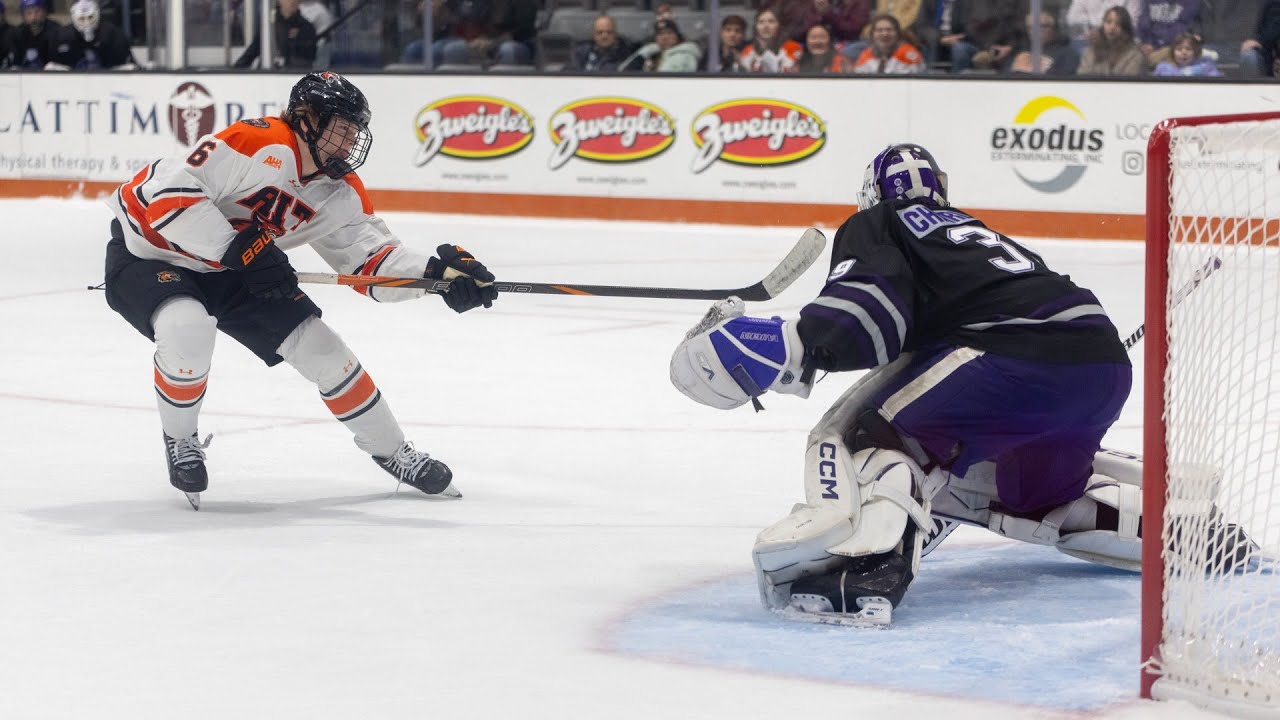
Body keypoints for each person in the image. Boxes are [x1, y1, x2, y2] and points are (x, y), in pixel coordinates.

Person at [670, 144, 1138, 623]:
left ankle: (863, 569)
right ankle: (1155, 525)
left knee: (871, 434)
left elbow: (870, 306)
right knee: (1033, 498)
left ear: (873, 194)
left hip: (1015, 362)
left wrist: (789, 342)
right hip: (1102, 370)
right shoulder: (972, 232)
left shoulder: (883, 222)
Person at [101, 72, 498, 509]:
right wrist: (237, 248)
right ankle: (180, 439)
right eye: (342, 129)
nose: (350, 144)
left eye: (355, 133)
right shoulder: (259, 141)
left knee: (325, 351)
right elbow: (167, 196)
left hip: (237, 268)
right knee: (187, 330)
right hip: (150, 252)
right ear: (307, 119)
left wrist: (436, 277)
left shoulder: (339, 193)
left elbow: (369, 262)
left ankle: (393, 451)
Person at [233, 0, 318, 69]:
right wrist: (235, 72)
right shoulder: (269, 27)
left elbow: (308, 57)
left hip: (292, 76)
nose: (292, 2)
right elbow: (252, 51)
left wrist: (295, 40)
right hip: (267, 76)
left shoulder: (306, 27)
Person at [59, 0, 136, 70]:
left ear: (97, 15)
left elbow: (129, 65)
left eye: (90, 17)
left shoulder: (113, 34)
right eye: (81, 18)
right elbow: (51, 67)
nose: (86, 22)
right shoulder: (61, 36)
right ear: (74, 18)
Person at [1077, 5, 1147, 75]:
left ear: (1126, 29)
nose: (1112, 27)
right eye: (1108, 22)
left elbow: (1129, 84)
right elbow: (1081, 78)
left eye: (1118, 24)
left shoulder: (1135, 57)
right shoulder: (1091, 52)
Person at [1009, 9, 1081, 75]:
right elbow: (1003, 77)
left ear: (1052, 28)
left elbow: (1066, 81)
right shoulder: (1020, 51)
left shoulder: (1068, 53)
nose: (1033, 31)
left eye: (1040, 26)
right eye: (1029, 27)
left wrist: (1043, 69)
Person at [11, 0, 76, 69]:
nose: (33, 17)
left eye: (37, 12)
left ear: (45, 12)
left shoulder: (56, 31)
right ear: (23, 16)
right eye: (29, 13)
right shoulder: (18, 33)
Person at [851, 13, 925, 72]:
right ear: (872, 35)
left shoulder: (909, 53)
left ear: (897, 34)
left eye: (889, 30)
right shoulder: (866, 54)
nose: (885, 34)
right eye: (879, 30)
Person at [623, 18, 702, 72]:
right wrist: (642, 55)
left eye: (669, 33)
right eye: (660, 34)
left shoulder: (686, 55)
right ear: (655, 38)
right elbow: (623, 72)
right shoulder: (651, 54)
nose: (665, 37)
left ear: (677, 36)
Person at [739, 7, 802, 72]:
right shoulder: (748, 50)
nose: (765, 26)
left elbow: (787, 73)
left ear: (779, 26)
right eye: (761, 22)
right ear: (756, 27)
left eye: (771, 21)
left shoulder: (793, 47)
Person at [571, 14, 638, 72]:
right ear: (593, 35)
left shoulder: (627, 55)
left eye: (609, 32)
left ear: (615, 34)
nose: (604, 36)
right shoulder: (582, 53)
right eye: (600, 32)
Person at [1152, 30, 1221, 74]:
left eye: (1188, 49)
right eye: (1179, 49)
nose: (1184, 53)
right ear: (1173, 52)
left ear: (1195, 52)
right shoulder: (1163, 68)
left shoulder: (1207, 67)